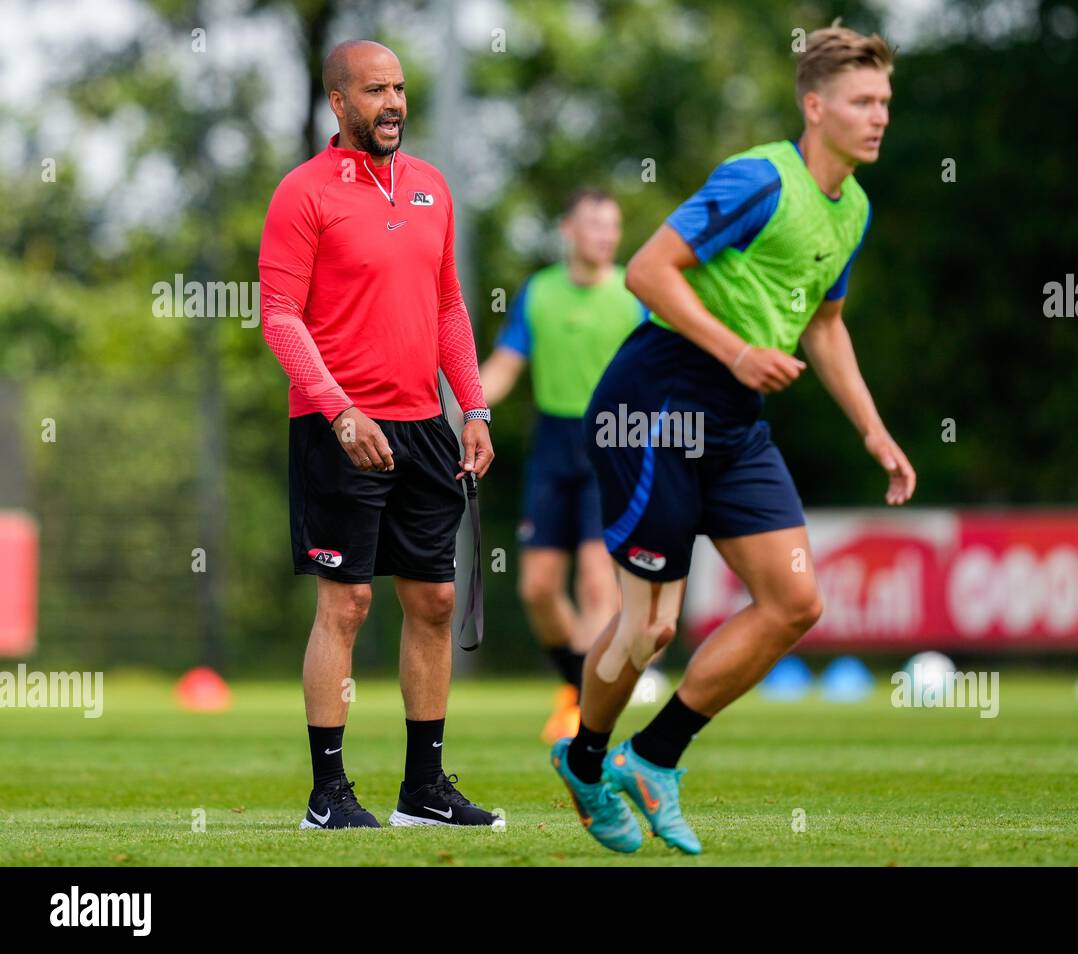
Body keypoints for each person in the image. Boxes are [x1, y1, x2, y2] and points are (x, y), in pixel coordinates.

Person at [550, 23, 916, 854]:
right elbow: (647, 269)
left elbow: (825, 327)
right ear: (815, 105)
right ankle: (584, 760)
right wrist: (738, 350)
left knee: (796, 603)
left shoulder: (852, 207)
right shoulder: (759, 178)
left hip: (734, 423)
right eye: (863, 101)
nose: (879, 117)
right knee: (648, 629)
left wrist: (874, 429)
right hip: (655, 403)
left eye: (886, 101)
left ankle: (655, 757)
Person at [258, 39, 498, 829]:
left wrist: (474, 407)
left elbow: (449, 309)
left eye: (399, 88)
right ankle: (327, 797)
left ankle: (422, 792)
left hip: (425, 425)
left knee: (433, 597)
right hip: (338, 428)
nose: (393, 103)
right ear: (338, 102)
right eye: (374, 91)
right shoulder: (303, 192)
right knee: (349, 602)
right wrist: (339, 408)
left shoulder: (432, 186)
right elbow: (279, 317)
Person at [479, 189, 645, 743]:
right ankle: (580, 688)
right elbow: (504, 365)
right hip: (552, 444)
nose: (606, 236)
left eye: (613, 227)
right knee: (537, 588)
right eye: (595, 225)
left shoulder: (634, 292)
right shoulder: (539, 291)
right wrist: (462, 408)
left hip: (615, 440)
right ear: (569, 229)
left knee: (600, 583)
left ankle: (583, 714)